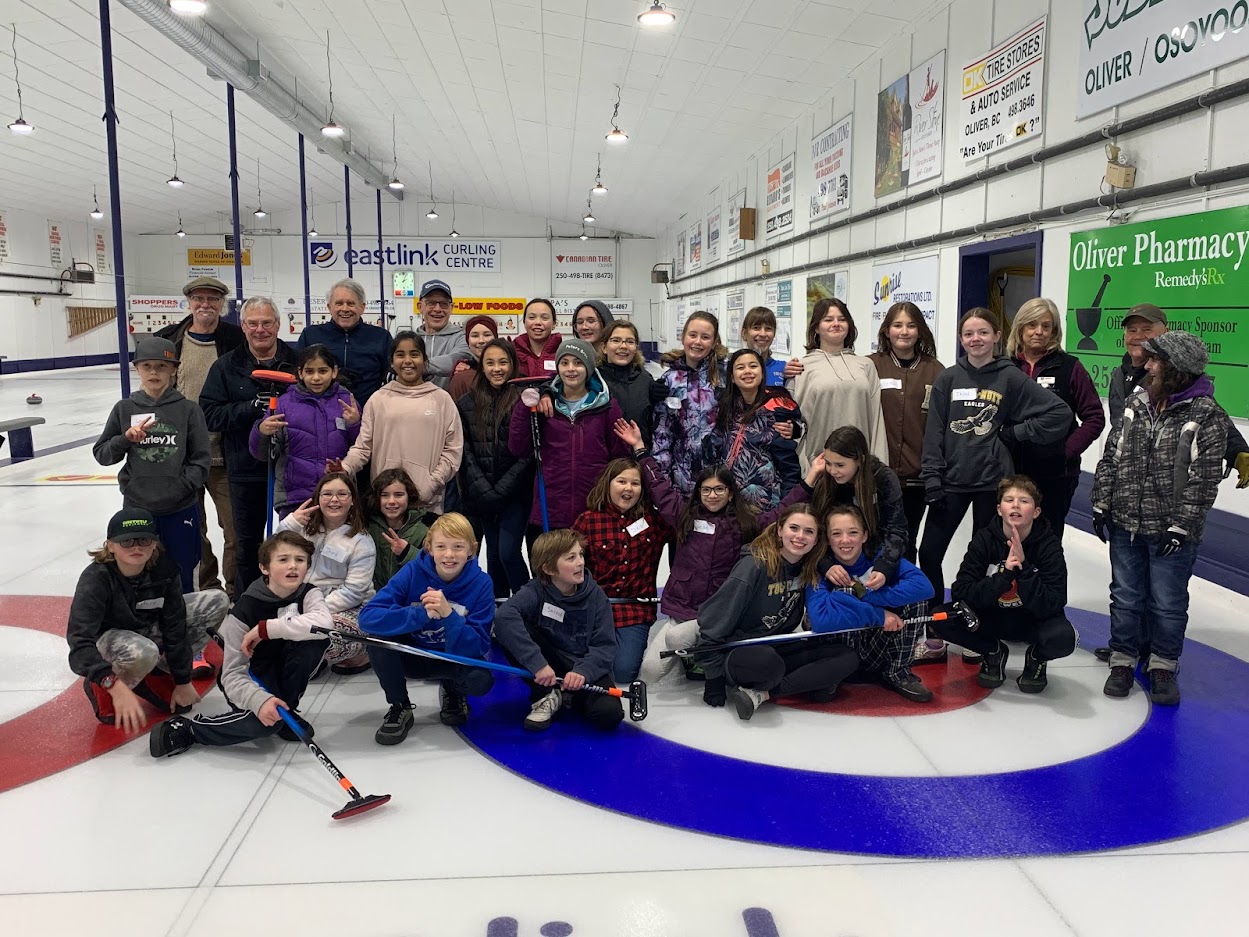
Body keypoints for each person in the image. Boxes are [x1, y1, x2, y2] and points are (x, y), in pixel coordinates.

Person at [1091, 303, 1247, 663]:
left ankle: (1157, 654)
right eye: (1132, 330)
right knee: (1129, 590)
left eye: (1147, 330)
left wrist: (1238, 449)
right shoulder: (1122, 377)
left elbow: (1210, 422)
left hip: (1166, 509)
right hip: (1130, 502)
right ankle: (1129, 646)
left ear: (1166, 336)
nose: (1137, 337)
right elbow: (1115, 442)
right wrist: (1103, 499)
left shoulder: (1193, 394)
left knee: (1164, 595)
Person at [619, 418, 809, 663]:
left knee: (704, 662)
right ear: (698, 493)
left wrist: (810, 480)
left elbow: (781, 512)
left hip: (722, 614)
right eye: (706, 490)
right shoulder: (684, 515)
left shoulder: (744, 523)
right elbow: (659, 487)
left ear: (730, 494)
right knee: (651, 672)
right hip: (683, 607)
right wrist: (640, 449)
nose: (712, 495)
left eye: (719, 489)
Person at [918, 308, 1070, 613]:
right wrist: (932, 478)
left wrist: (1015, 433)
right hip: (950, 481)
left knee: (986, 559)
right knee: (929, 553)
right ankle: (935, 616)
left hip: (992, 483)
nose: (976, 339)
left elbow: (1060, 413)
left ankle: (979, 617)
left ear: (997, 336)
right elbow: (934, 431)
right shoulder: (947, 378)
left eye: (983, 332)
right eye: (968, 334)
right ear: (961, 339)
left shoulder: (1009, 377)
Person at [148, 530, 333, 757]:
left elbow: (325, 625)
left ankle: (286, 707)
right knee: (264, 725)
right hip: (250, 677)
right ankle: (191, 730)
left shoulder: (309, 593)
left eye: (300, 560)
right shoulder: (245, 610)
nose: (293, 566)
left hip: (283, 669)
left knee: (316, 639)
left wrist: (268, 629)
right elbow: (232, 674)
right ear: (264, 568)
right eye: (283, 560)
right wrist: (259, 700)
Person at [694, 503, 858, 721]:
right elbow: (714, 619)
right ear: (780, 530)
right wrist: (713, 676)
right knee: (769, 665)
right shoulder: (753, 565)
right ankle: (804, 683)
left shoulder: (807, 569)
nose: (800, 536)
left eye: (809, 531)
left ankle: (761, 695)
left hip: (778, 645)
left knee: (847, 656)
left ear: (816, 539)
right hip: (739, 653)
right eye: (794, 528)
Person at [69, 509, 228, 732]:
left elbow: (175, 627)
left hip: (147, 637)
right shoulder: (96, 579)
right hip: (112, 644)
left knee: (217, 601)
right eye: (126, 541)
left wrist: (182, 680)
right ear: (110, 545)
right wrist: (111, 683)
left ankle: (157, 673)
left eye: (144, 540)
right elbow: (79, 643)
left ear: (154, 543)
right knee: (143, 652)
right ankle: (103, 687)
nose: (136, 547)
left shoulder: (165, 570)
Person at [359, 513, 497, 743]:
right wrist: (420, 614)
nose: (449, 554)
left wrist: (449, 616)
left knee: (480, 681)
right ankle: (400, 705)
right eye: (441, 546)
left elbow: (479, 645)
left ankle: (454, 691)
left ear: (472, 550)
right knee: (378, 642)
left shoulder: (482, 584)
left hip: (454, 659)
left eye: (458, 547)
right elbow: (368, 618)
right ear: (429, 548)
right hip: (415, 654)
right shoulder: (412, 572)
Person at [933, 475, 1076, 693]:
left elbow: (1054, 601)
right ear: (999, 509)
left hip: (1031, 620)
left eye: (1024, 501)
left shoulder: (1049, 545)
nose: (1016, 505)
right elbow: (961, 592)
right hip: (992, 617)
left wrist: (1024, 569)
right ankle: (993, 652)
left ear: (1036, 512)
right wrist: (1004, 576)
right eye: (1009, 500)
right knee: (940, 618)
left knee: (1063, 638)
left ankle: (1037, 658)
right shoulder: (984, 539)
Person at [93, 337, 210, 593]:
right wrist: (125, 439)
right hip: (138, 507)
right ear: (137, 369)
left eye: (161, 366)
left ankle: (183, 615)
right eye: (147, 366)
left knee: (183, 569)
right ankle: (139, 614)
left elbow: (201, 460)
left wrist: (180, 486)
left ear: (174, 369)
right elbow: (102, 454)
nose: (154, 372)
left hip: (180, 508)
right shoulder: (124, 408)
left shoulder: (189, 410)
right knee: (136, 571)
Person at [199, 296, 298, 599]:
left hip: (292, 469)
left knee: (295, 540)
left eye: (266, 322)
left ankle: (293, 597)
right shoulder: (226, 366)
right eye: (252, 323)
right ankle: (248, 602)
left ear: (278, 325)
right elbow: (209, 414)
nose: (260, 329)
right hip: (244, 469)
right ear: (242, 326)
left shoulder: (298, 361)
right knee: (247, 544)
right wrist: (249, 408)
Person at [157, 275, 243, 595]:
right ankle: (208, 587)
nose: (205, 304)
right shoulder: (169, 340)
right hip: (185, 457)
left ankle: (236, 590)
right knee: (193, 529)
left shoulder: (236, 340)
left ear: (222, 304)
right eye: (199, 298)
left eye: (213, 299)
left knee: (236, 530)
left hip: (226, 454)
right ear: (190, 302)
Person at [493, 528, 624, 732]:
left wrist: (583, 672)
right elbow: (504, 617)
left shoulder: (597, 597)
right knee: (512, 629)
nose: (580, 562)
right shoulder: (536, 590)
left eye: (580, 555)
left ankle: (567, 695)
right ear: (549, 569)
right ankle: (545, 694)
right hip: (548, 661)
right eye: (571, 558)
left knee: (609, 714)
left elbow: (604, 646)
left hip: (581, 665)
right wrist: (537, 664)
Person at [806, 504, 936, 702]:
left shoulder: (880, 559)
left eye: (853, 532)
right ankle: (832, 676)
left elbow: (924, 588)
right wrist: (878, 614)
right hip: (839, 655)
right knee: (843, 592)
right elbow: (820, 621)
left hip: (876, 649)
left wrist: (867, 595)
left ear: (864, 535)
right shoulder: (822, 568)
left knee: (914, 601)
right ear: (828, 538)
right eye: (836, 534)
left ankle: (897, 672)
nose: (845, 540)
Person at [1005, 298, 1105, 540]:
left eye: (1046, 326)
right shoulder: (1004, 367)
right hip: (1010, 471)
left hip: (1055, 475)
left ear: (1054, 330)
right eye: (1032, 325)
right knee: (1010, 541)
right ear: (1020, 327)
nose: (1038, 332)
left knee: (1047, 543)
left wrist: (1065, 452)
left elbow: (1094, 418)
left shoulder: (1070, 368)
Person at [508, 338, 629, 536]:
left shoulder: (607, 406)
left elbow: (619, 458)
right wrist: (525, 407)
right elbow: (519, 448)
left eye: (578, 362)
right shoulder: (544, 404)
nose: (571, 369)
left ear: (588, 367)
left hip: (593, 508)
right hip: (550, 509)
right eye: (564, 363)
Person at [340, 331, 463, 514]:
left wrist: (431, 484)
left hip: (427, 504)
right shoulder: (378, 399)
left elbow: (453, 451)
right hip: (386, 503)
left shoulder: (441, 399)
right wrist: (345, 467)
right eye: (400, 355)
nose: (407, 361)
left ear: (425, 360)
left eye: (414, 354)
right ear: (391, 362)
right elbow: (363, 447)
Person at [573, 458, 670, 684]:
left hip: (634, 610)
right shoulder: (588, 520)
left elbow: (682, 522)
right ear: (608, 483)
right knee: (578, 660)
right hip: (596, 608)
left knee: (623, 672)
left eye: (635, 483)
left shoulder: (653, 521)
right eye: (622, 481)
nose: (628, 488)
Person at [867, 301, 944, 564]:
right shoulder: (870, 366)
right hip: (876, 473)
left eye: (911, 325)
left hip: (916, 477)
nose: (904, 331)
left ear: (920, 330)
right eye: (897, 325)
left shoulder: (936, 371)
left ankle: (906, 590)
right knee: (873, 537)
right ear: (886, 330)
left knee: (907, 541)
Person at [276, 471, 374, 674]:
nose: (334, 500)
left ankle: (360, 652)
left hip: (348, 608)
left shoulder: (361, 541)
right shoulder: (304, 530)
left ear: (353, 501)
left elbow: (353, 593)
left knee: (324, 632)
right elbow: (273, 554)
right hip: (304, 602)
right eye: (327, 494)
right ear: (318, 499)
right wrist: (289, 524)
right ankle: (307, 659)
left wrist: (314, 611)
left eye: (342, 494)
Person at [457, 338, 533, 600]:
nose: (497, 369)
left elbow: (528, 453)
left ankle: (526, 603)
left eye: (503, 362)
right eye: (490, 363)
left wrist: (502, 490)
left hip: (515, 495)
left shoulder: (523, 401)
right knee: (492, 555)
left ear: (513, 365)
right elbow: (465, 451)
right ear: (482, 366)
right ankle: (498, 607)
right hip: (482, 495)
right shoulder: (466, 403)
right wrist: (484, 490)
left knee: (508, 552)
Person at [248, 343, 359, 519]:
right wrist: (261, 431)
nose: (316, 378)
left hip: (338, 496)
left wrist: (354, 424)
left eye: (323, 371)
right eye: (309, 371)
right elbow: (262, 454)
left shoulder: (347, 402)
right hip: (295, 498)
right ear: (300, 373)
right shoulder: (284, 404)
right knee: (294, 538)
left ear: (334, 372)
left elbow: (361, 449)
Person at [789, 298, 888, 471]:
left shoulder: (865, 365)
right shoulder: (801, 368)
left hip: (860, 466)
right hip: (819, 466)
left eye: (842, 319)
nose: (836, 324)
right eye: (828, 320)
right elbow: (793, 422)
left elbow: (876, 419)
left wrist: (879, 466)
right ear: (816, 328)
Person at [702, 348, 803, 512]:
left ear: (762, 373)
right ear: (732, 377)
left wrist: (787, 507)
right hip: (727, 501)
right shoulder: (724, 407)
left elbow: (789, 466)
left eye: (753, 366)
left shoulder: (776, 408)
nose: (747, 371)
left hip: (766, 504)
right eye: (740, 367)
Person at [807, 428, 908, 590]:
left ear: (860, 460)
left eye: (840, 465)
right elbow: (813, 528)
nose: (833, 471)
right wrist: (825, 564)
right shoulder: (825, 479)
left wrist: (884, 567)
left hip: (877, 555)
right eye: (828, 463)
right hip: (833, 557)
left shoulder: (883, 478)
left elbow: (896, 530)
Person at [651, 311, 727, 499]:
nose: (697, 342)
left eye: (705, 337)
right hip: (680, 479)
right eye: (693, 335)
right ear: (683, 337)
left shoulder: (726, 376)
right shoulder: (669, 380)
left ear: (714, 342)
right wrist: (662, 482)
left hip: (721, 478)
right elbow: (662, 434)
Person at [297, 278, 391, 407]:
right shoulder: (310, 335)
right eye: (339, 303)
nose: (345, 309)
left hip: (370, 411)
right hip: (318, 412)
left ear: (362, 307)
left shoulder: (381, 337)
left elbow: (390, 378)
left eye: (351, 303)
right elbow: (298, 376)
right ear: (329, 307)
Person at [365, 467, 437, 592]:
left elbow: (436, 567)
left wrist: (407, 552)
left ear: (409, 496)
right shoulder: (368, 525)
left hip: (413, 596)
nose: (391, 501)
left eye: (398, 495)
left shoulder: (426, 528)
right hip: (376, 596)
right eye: (385, 495)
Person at [597, 320, 667, 448]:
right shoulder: (593, 379)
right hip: (602, 455)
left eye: (630, 341)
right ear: (604, 347)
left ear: (636, 349)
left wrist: (657, 399)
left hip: (638, 454)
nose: (623, 346)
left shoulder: (645, 379)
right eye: (616, 340)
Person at [416, 279, 470, 389]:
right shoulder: (410, 339)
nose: (437, 309)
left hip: (450, 400)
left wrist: (414, 365)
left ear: (451, 308)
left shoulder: (463, 337)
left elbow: (456, 360)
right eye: (431, 303)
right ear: (420, 307)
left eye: (444, 304)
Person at [448, 314, 499, 400]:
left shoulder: (508, 369)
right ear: (467, 340)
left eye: (487, 335)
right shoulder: (461, 376)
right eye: (475, 336)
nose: (481, 341)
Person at [513, 298, 563, 378]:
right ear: (524, 322)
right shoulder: (512, 353)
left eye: (544, 318)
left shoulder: (564, 353)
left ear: (554, 323)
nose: (538, 322)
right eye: (532, 317)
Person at [740, 305, 787, 386]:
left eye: (768, 328)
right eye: (756, 328)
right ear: (744, 333)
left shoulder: (784, 369)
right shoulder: (731, 368)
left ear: (774, 334)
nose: (763, 334)